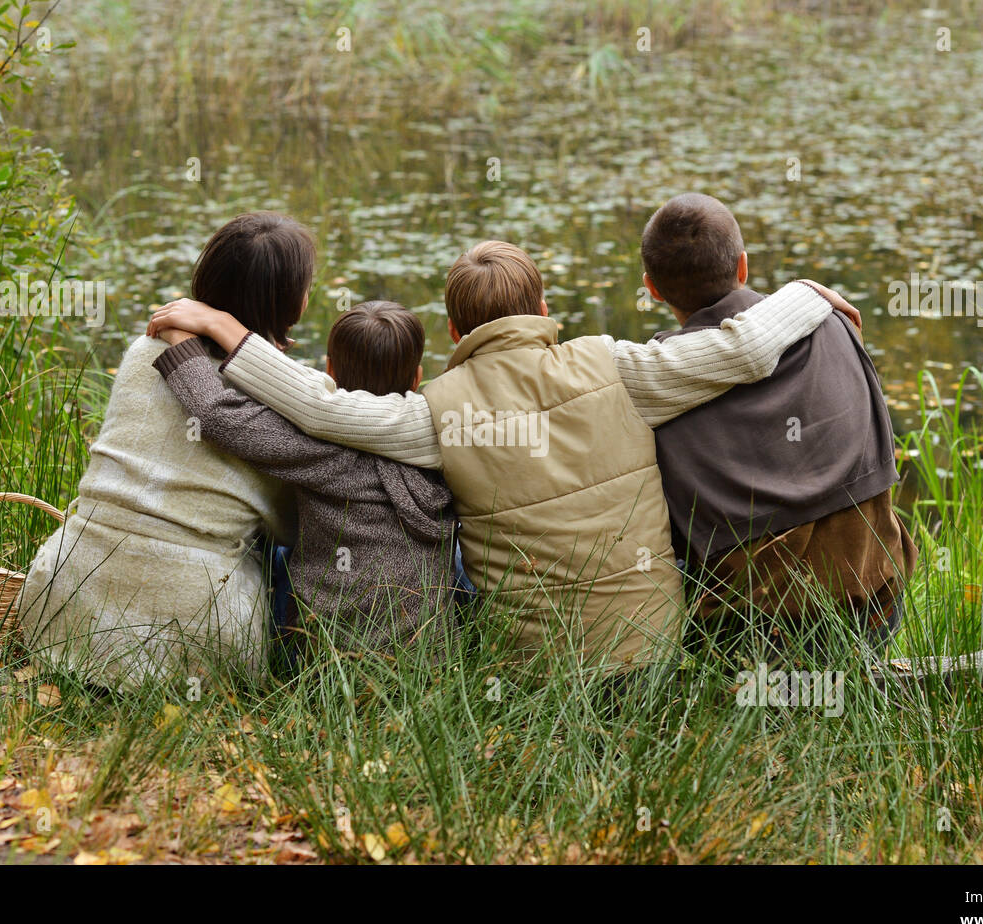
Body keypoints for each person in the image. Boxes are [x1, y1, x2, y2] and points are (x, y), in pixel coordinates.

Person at [146, 242, 850, 672]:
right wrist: (801, 296)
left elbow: (322, 408)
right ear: (543, 306)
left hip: (535, 672)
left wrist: (225, 329)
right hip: (651, 655)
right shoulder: (616, 366)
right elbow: (744, 351)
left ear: (453, 330)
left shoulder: (439, 413)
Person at [17, 212, 311, 689]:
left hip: (63, 604)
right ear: (294, 303)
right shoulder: (285, 396)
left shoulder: (145, 350)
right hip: (198, 634)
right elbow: (291, 526)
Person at [640, 193, 917, 651]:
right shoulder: (836, 323)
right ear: (743, 267)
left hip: (748, 639)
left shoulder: (656, 385)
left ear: (652, 288)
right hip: (874, 610)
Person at [151, 300, 456, 655]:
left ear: (330, 371)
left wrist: (182, 343)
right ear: (417, 377)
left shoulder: (318, 447)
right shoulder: (442, 440)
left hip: (324, 655)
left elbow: (219, 417)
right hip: (427, 658)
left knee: (273, 546)